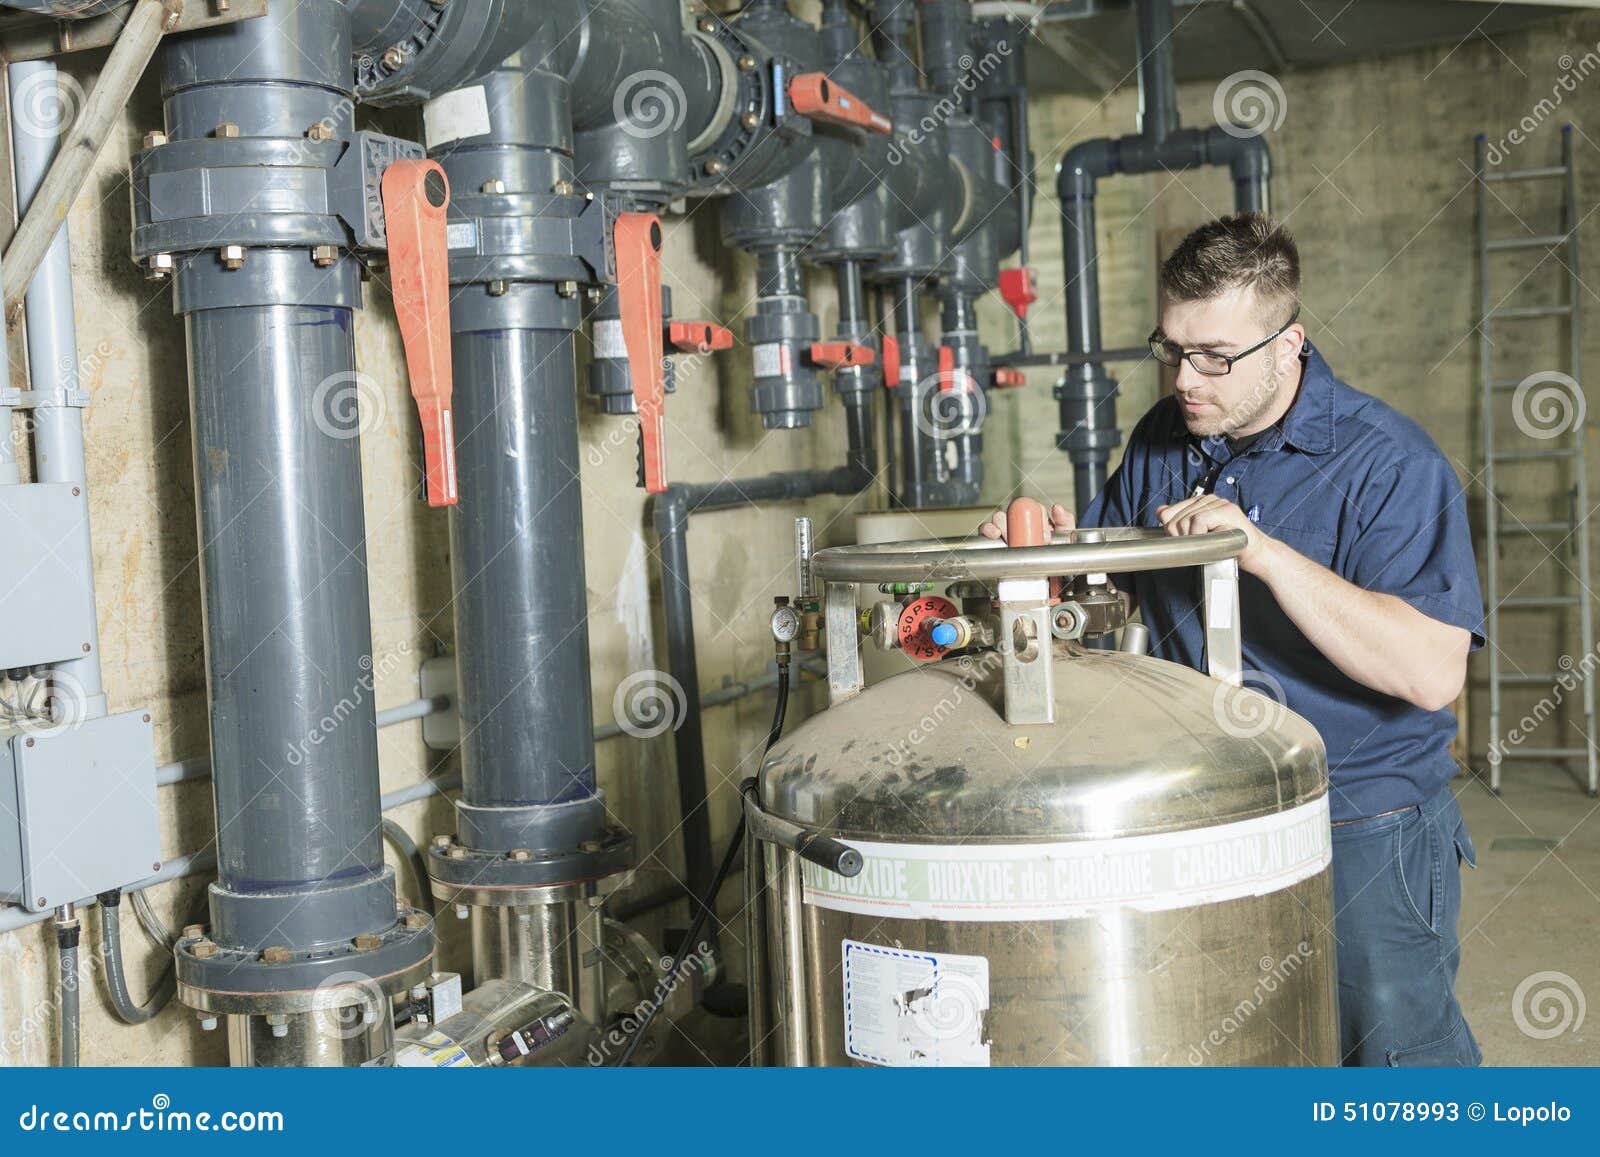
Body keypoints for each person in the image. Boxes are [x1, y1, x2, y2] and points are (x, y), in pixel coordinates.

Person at [983, 214, 1484, 1066]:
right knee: (1247, 1046)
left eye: (1215, 355)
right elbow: (1107, 582)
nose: (1185, 377)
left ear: (1289, 346)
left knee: (1393, 1059)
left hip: (1357, 817)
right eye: (1171, 348)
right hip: (1209, 809)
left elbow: (1432, 670)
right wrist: (1047, 557)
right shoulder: (1162, 440)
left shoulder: (1389, 464)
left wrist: (1263, 552)